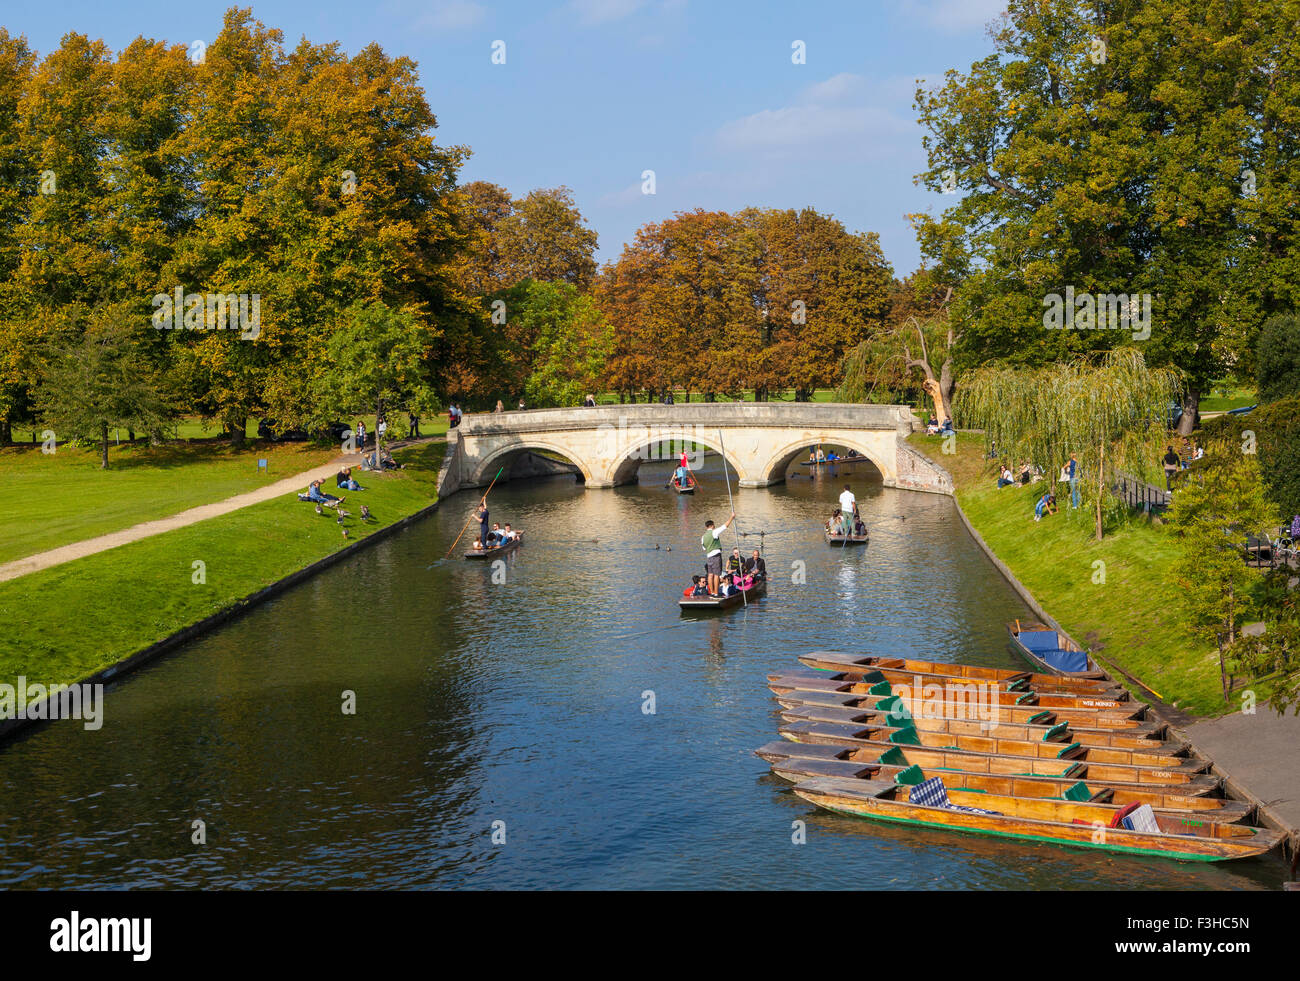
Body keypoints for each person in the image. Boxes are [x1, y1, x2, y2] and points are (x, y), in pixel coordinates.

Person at [700, 512, 735, 596]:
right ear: (712, 525)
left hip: (709, 557)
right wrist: (732, 517)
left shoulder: (703, 537)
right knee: (716, 575)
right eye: (714, 525)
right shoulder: (714, 532)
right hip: (716, 556)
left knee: (710, 575)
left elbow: (704, 548)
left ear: (706, 527)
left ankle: (711, 592)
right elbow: (725, 526)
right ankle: (716, 593)